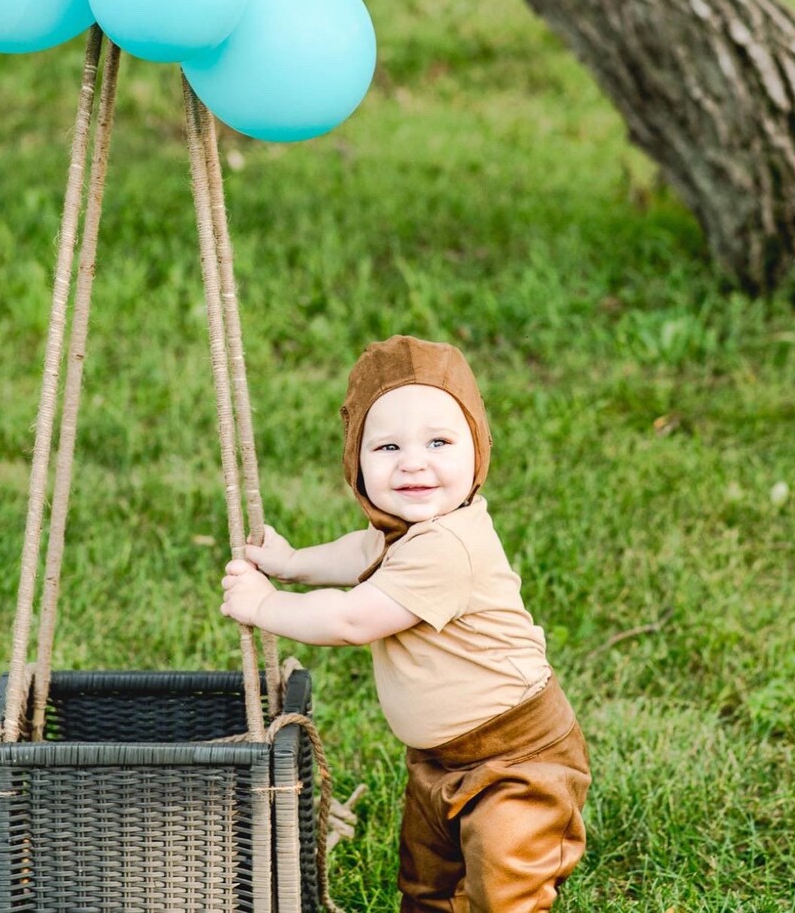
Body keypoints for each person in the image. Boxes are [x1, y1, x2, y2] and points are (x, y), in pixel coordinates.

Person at [220, 334, 591, 912]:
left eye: (439, 441)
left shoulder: (448, 546)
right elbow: (354, 553)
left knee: (504, 884)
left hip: (518, 757)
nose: (413, 462)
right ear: (357, 463)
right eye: (387, 446)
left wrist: (265, 607)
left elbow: (351, 618)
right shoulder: (403, 533)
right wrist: (291, 564)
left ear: (478, 450)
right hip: (438, 757)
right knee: (427, 881)